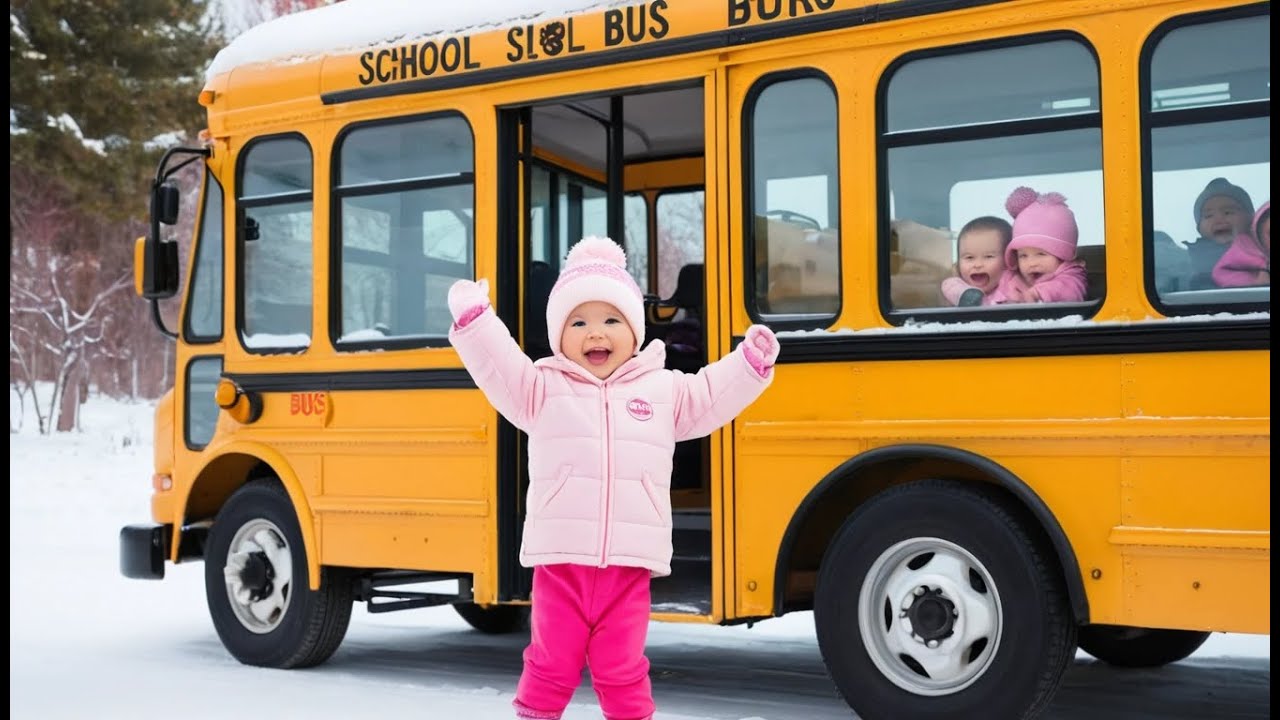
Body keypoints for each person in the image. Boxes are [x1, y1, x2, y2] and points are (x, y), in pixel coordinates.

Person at [446, 236, 777, 720]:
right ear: (559, 335)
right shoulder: (542, 388)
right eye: (578, 322)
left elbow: (710, 395)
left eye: (610, 320)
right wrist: (476, 323)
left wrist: (747, 366)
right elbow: (500, 367)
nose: (595, 333)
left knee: (622, 668)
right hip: (561, 564)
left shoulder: (663, 389)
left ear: (635, 330)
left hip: (628, 568)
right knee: (550, 662)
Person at [990, 186, 1088, 304]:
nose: (1031, 263)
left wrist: (1038, 293)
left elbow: (1070, 291)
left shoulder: (1072, 275)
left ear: (1063, 255)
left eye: (1041, 254)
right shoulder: (1011, 278)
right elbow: (992, 300)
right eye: (1023, 256)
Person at [1186, 177, 1255, 290]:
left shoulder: (1263, 250)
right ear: (1199, 228)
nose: (1218, 219)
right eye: (1209, 216)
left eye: (1228, 212)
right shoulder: (1187, 262)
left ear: (1250, 218)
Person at [940, 216, 1012, 306]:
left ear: (1009, 260)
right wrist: (965, 296)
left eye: (988, 256)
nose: (978, 265)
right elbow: (949, 287)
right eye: (969, 257)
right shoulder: (957, 285)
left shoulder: (1014, 286)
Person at [1212, 200, 1270, 287]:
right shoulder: (1244, 254)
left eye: (1228, 212)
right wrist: (1259, 283)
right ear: (1258, 235)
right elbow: (1222, 274)